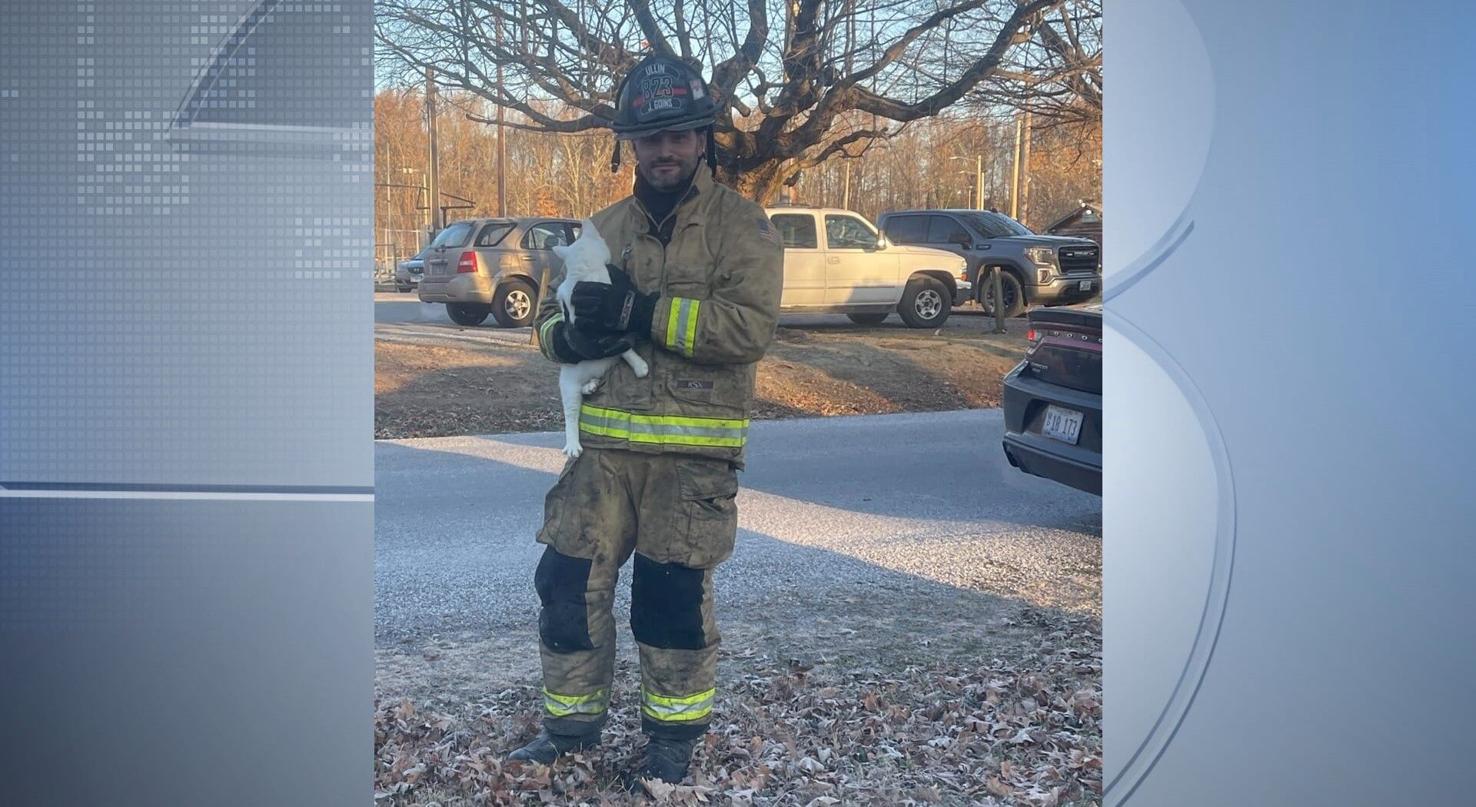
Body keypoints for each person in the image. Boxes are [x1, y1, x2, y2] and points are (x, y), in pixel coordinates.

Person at [507, 54, 784, 784]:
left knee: (670, 604)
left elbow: (747, 328)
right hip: (598, 460)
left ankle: (670, 742)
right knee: (566, 588)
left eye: (680, 136)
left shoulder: (741, 227)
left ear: (703, 140)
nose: (664, 151)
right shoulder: (602, 229)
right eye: (649, 139)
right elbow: (545, 320)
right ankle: (568, 728)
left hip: (691, 463)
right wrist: (561, 338)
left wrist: (644, 312)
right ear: (629, 145)